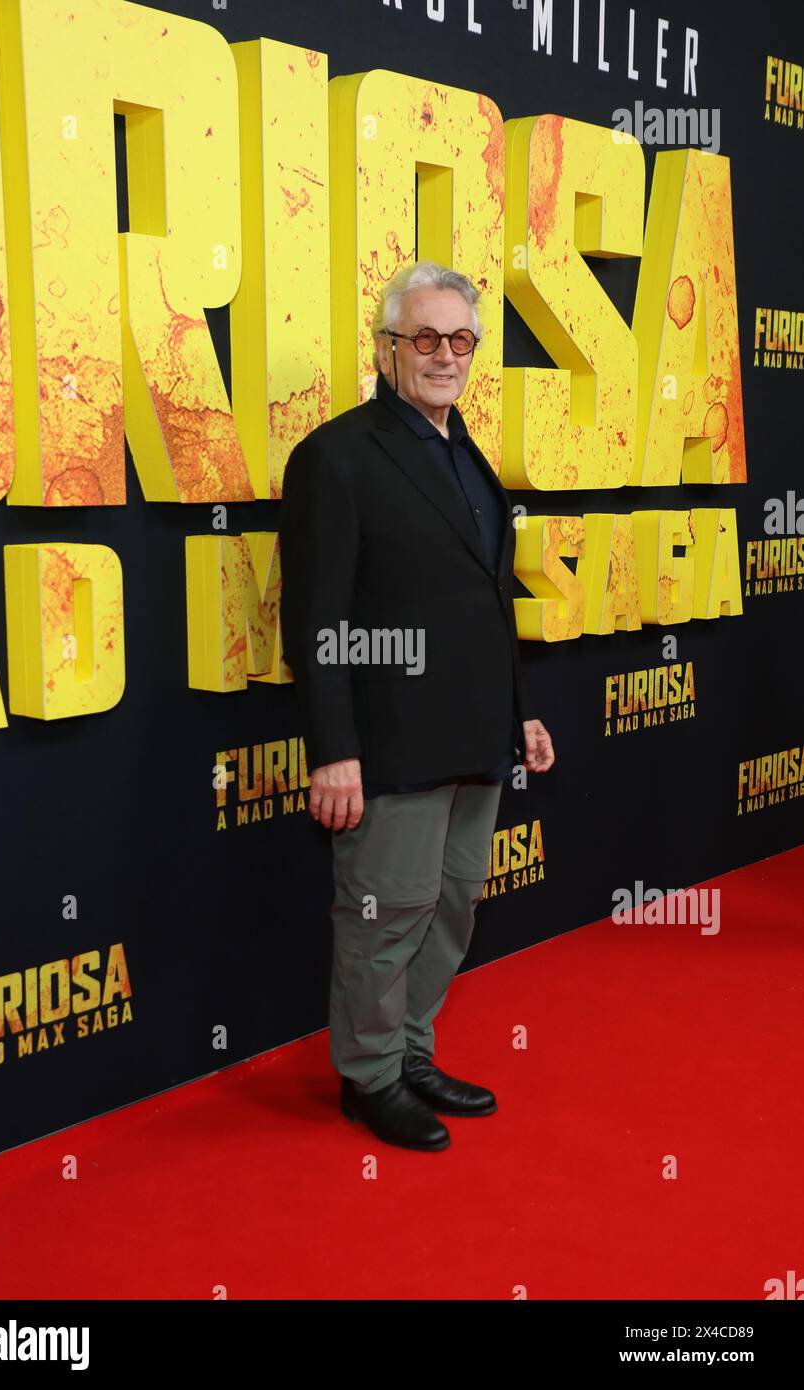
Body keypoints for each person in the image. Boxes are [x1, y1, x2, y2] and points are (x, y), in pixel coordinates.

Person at [279, 260, 555, 1152]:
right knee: (385, 915)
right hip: (389, 743)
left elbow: (488, 598)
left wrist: (522, 712)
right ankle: (368, 1079)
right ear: (387, 347)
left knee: (452, 908)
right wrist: (333, 749)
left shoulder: (467, 452)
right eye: (425, 338)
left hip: (478, 733)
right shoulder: (336, 456)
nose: (445, 355)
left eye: (460, 340)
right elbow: (317, 618)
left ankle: (412, 1053)